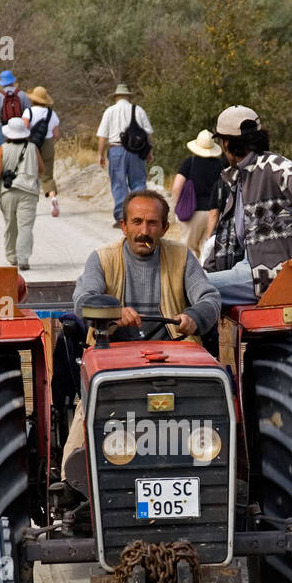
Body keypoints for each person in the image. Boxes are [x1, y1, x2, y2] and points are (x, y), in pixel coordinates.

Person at [63, 189, 220, 490]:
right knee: (88, 408)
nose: (143, 231)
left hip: (173, 355)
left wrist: (193, 317)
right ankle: (75, 483)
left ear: (164, 228)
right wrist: (113, 312)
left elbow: (210, 298)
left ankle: (217, 473)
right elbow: (83, 299)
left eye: (152, 223)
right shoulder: (101, 259)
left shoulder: (182, 257)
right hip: (113, 356)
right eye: (136, 222)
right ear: (123, 226)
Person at [203, 105, 292, 305]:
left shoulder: (273, 166)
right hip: (245, 271)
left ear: (227, 142)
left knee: (188, 287)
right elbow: (229, 238)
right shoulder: (239, 178)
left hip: (271, 276)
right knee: (193, 282)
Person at [0, 117, 43, 270]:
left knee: (10, 224)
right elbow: (41, 169)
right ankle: (23, 258)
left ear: (8, 134)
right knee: (25, 226)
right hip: (29, 192)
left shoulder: (2, 149)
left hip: (8, 192)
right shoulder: (33, 148)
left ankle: (12, 257)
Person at [96, 83, 153, 228]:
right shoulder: (138, 110)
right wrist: (149, 151)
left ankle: (122, 217)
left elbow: (102, 136)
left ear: (116, 97)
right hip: (136, 151)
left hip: (116, 150)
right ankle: (139, 215)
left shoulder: (110, 111)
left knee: (118, 184)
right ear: (128, 96)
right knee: (139, 182)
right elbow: (148, 133)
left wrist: (100, 154)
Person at [170, 129, 223, 258]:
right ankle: (205, 276)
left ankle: (189, 277)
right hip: (213, 213)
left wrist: (178, 207)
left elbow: (177, 187)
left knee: (188, 251)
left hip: (192, 213)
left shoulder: (190, 162)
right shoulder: (220, 165)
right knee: (207, 250)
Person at [26, 85, 60, 217]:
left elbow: (23, 130)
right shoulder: (52, 114)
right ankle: (53, 198)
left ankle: (31, 206)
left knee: (30, 175)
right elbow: (56, 134)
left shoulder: (28, 112)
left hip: (32, 145)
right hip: (47, 144)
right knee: (47, 175)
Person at [0, 70, 31, 149]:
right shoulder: (22, 94)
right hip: (19, 128)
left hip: (4, 128)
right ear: (12, 81)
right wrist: (28, 130)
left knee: (1, 153)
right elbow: (29, 114)